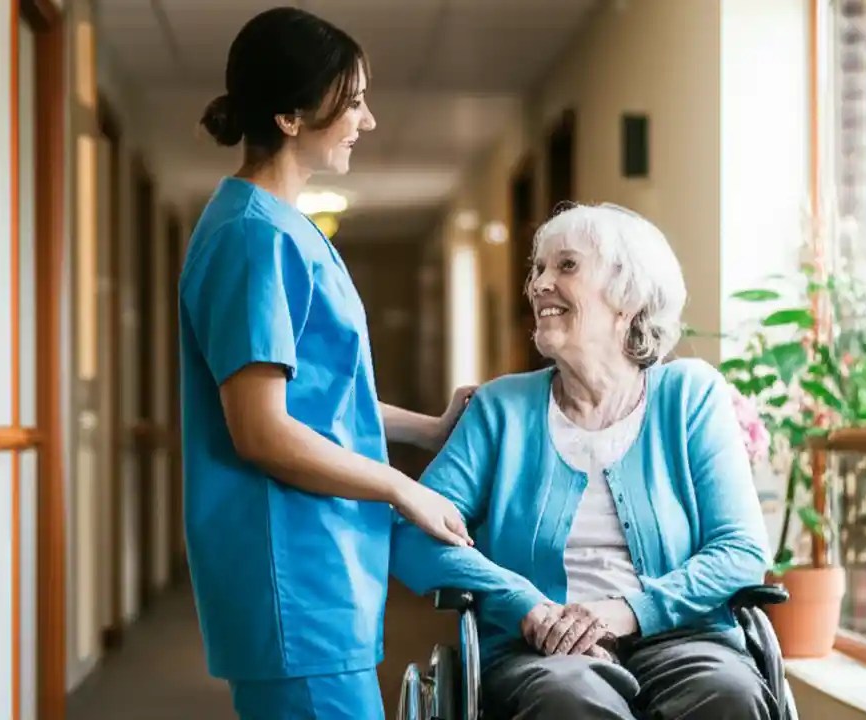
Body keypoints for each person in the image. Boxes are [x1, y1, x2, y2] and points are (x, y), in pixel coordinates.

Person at [178, 7, 473, 719]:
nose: (366, 120)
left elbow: (318, 402)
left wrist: (426, 430)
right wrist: (402, 489)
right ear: (290, 114)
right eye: (355, 100)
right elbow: (262, 430)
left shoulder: (280, 229)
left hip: (319, 573)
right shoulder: (254, 239)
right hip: (292, 572)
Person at [392, 203, 775, 719]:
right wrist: (526, 606)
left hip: (682, 640)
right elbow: (415, 536)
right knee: (569, 700)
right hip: (541, 654)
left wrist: (626, 613)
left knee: (728, 694)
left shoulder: (690, 395)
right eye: (538, 269)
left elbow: (741, 548)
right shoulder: (501, 409)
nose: (539, 284)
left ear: (629, 296)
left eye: (566, 266)